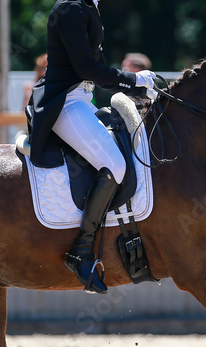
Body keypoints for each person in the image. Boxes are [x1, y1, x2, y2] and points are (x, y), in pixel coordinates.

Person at [26, 0, 157, 294]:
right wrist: (133, 79)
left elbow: (92, 71)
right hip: (63, 102)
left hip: (82, 100)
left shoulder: (89, 6)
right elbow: (86, 67)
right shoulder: (71, 7)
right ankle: (81, 251)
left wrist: (135, 87)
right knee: (115, 164)